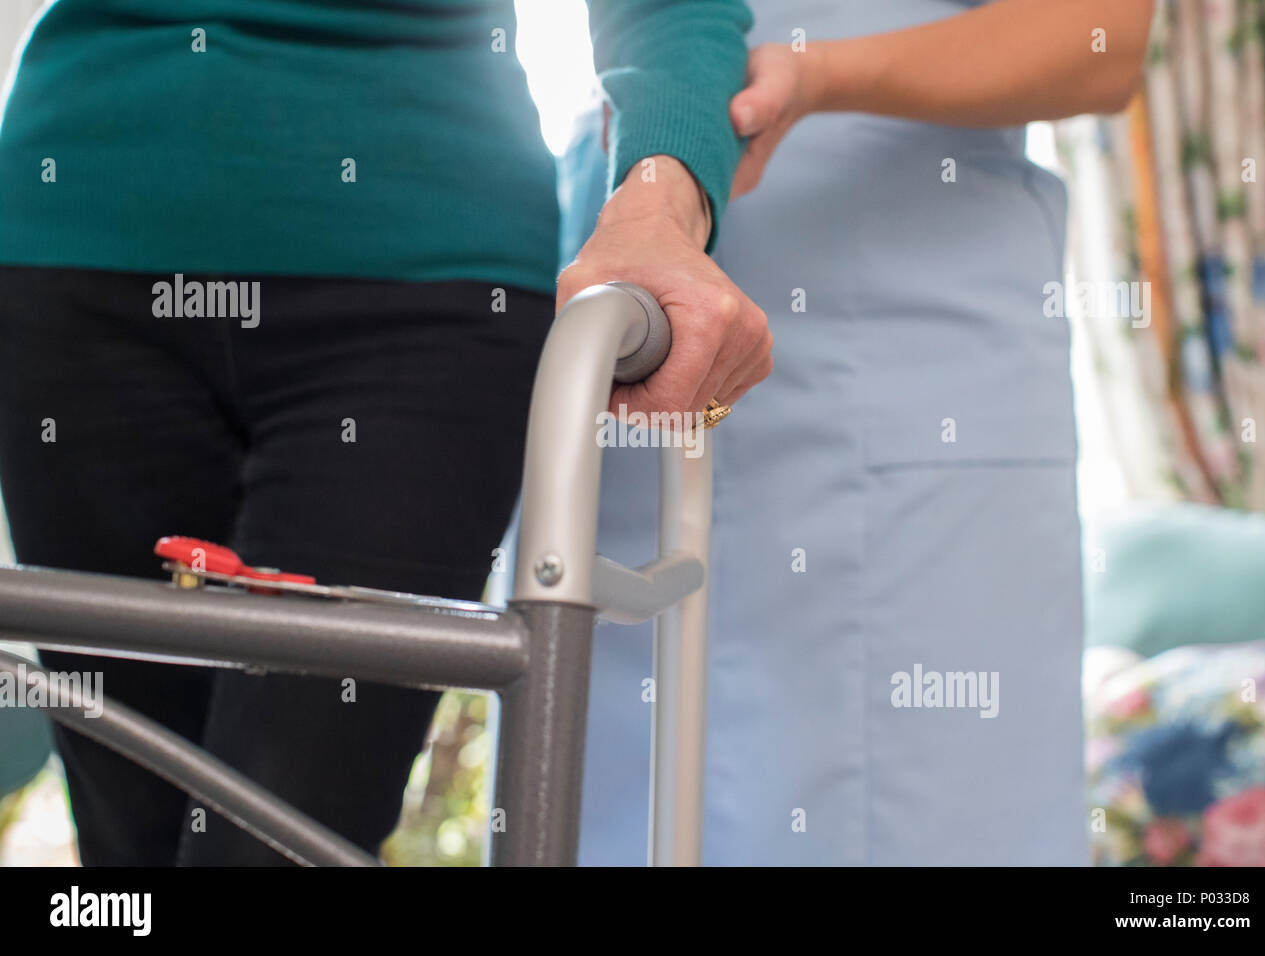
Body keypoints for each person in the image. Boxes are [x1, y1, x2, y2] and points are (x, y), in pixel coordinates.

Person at [0, 0, 768, 865]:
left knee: (281, 840)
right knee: (128, 850)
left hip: (423, 299)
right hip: (72, 266)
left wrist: (661, 212)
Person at [573, 0, 1154, 865]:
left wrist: (816, 76)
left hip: (915, 322)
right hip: (636, 282)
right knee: (625, 797)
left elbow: (1102, 40)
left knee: (932, 807)